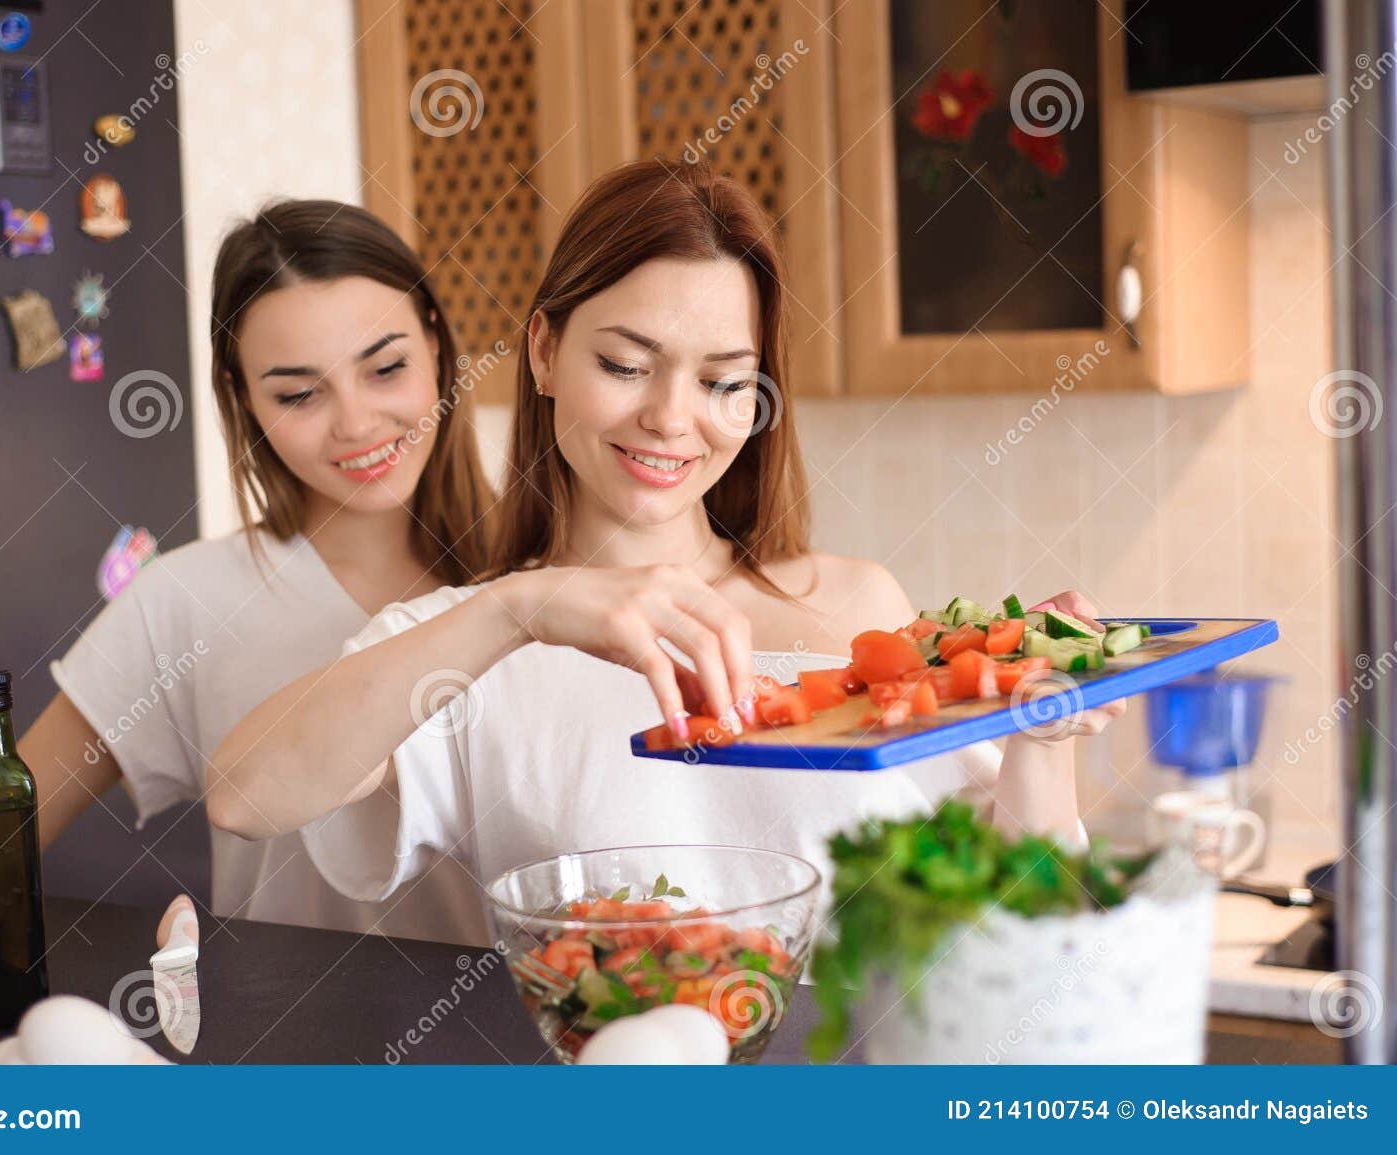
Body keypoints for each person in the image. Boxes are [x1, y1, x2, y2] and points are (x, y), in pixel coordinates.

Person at [208, 161, 1123, 939]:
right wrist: (520, 607)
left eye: (724, 380)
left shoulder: (859, 609)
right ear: (543, 349)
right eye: (625, 365)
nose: (672, 418)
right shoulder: (470, 640)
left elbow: (1023, 914)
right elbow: (245, 796)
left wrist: (1043, 733)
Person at [0, 200, 498, 995]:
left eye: (387, 366)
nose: (358, 421)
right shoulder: (186, 601)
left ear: (436, 342)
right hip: (283, 1049)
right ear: (243, 399)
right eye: (299, 394)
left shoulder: (539, 573)